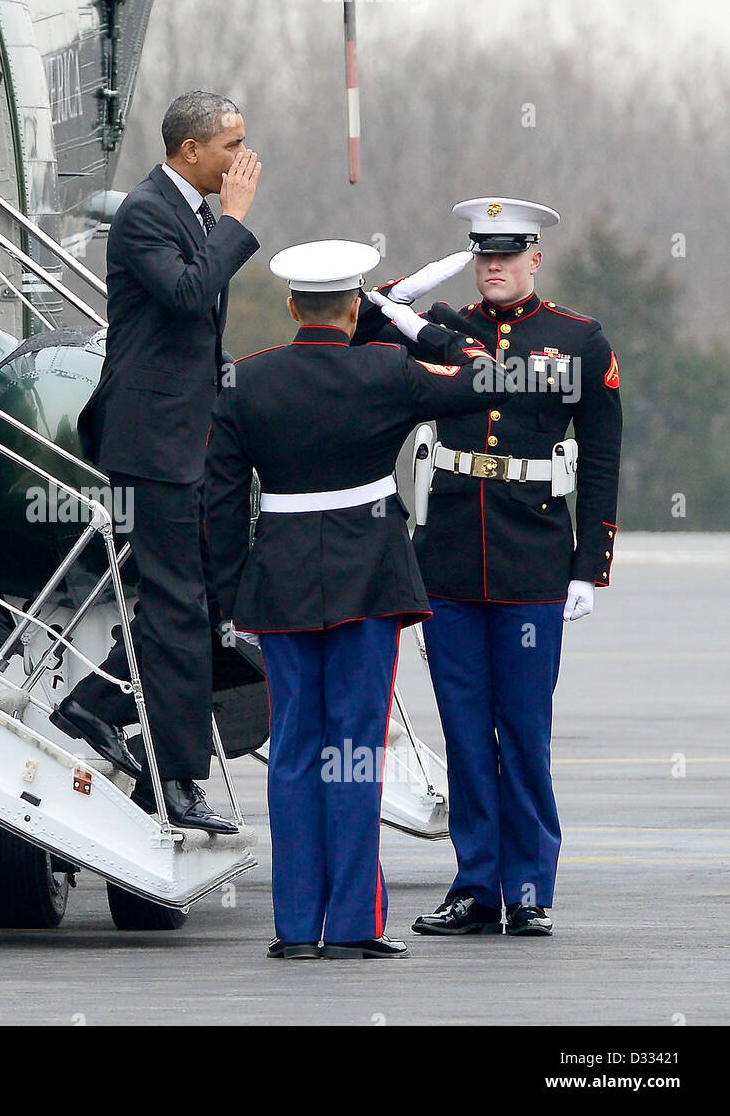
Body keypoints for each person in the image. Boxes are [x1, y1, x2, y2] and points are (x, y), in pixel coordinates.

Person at [204, 240, 512, 958]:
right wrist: (419, 325)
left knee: (293, 753)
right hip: (368, 578)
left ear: (290, 306)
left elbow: (219, 505)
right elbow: (489, 379)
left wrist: (227, 594)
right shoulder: (387, 369)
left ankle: (294, 929)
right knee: (354, 750)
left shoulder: (245, 381)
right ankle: (350, 926)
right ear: (356, 306)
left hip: (277, 580)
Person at [355, 198, 624, 937]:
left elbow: (600, 458)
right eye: (481, 254)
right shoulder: (445, 330)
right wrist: (406, 288)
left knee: (524, 731)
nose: (493, 266)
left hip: (534, 560)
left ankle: (531, 885)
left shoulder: (578, 341)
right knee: (466, 732)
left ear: (536, 257)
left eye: (507, 254)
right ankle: (477, 885)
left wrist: (587, 566)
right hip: (447, 559)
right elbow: (357, 326)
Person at [52, 91, 262, 833]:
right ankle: (178, 782)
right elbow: (184, 293)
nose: (244, 159)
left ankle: (95, 702)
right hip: (149, 444)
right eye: (232, 144)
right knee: (177, 607)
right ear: (191, 151)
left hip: (189, 438)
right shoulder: (145, 212)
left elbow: (195, 336)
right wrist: (234, 221)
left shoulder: (193, 214)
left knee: (191, 606)